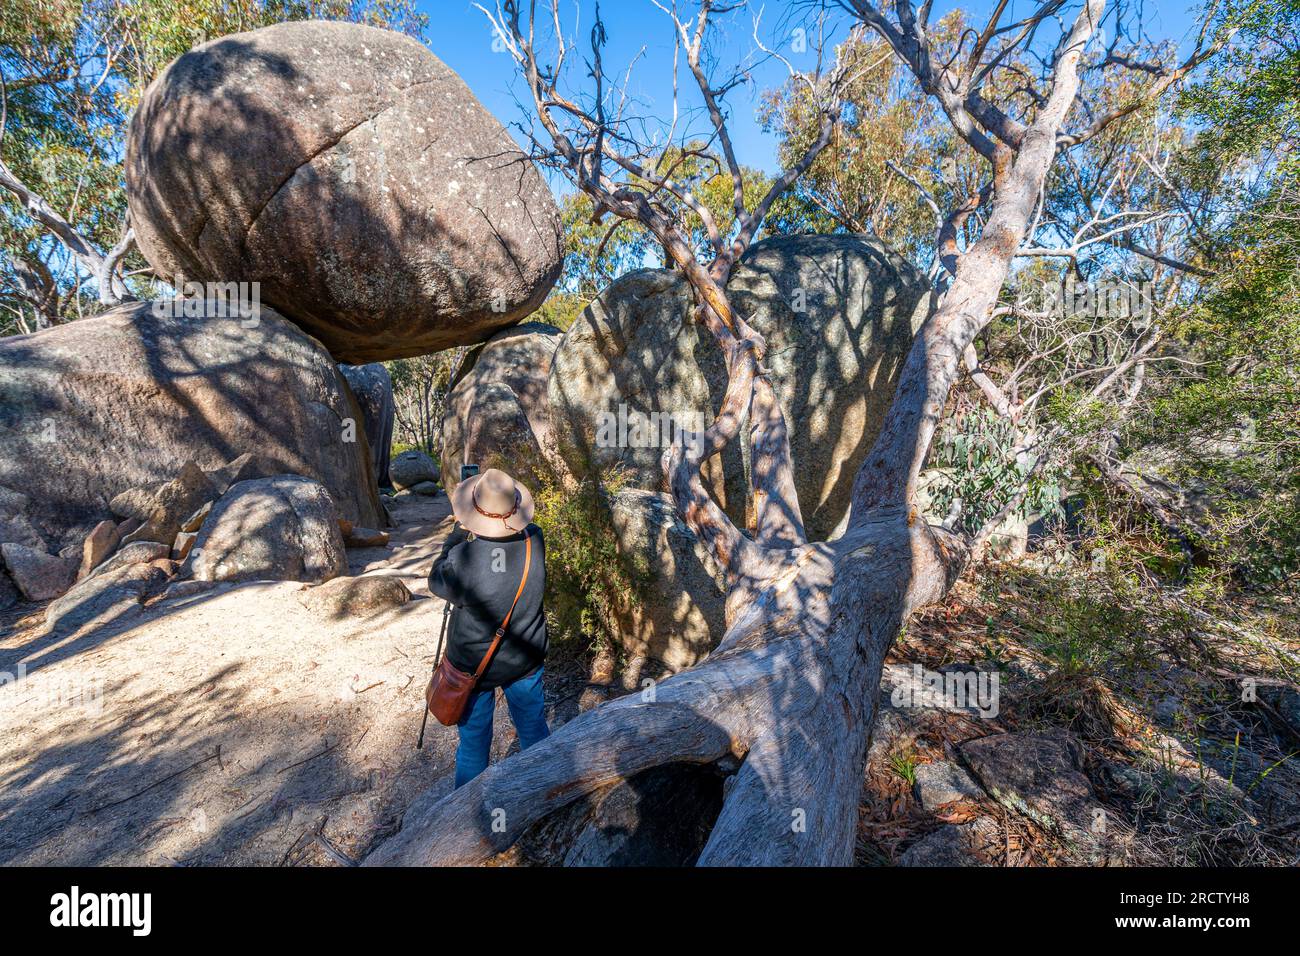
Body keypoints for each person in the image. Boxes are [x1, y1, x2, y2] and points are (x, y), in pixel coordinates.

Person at [428, 467, 550, 787]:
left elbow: (436, 580)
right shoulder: (534, 540)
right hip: (525, 658)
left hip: (473, 668)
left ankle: (467, 814)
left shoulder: (463, 557)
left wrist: (454, 537)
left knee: (473, 744)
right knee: (534, 730)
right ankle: (544, 789)